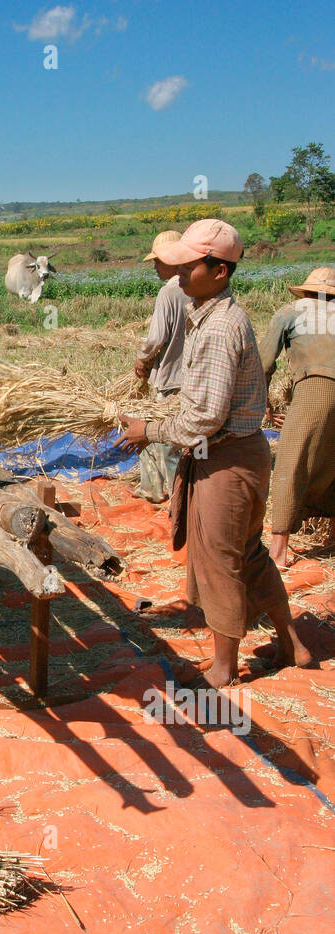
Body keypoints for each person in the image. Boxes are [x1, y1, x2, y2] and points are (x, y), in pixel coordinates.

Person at [117, 218, 313, 690]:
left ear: (220, 271)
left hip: (226, 460)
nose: (180, 272)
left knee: (219, 558)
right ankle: (293, 646)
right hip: (234, 454)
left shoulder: (222, 326)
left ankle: (225, 667)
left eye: (190, 265)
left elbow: (205, 418)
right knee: (247, 553)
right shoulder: (207, 316)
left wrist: (153, 429)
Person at [259, 266, 335, 568]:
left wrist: (263, 403)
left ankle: (279, 549)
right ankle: (331, 539)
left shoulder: (291, 311)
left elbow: (264, 363)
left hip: (316, 389)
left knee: (292, 461)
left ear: (306, 291)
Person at [134, 229, 185, 503]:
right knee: (160, 436)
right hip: (186, 378)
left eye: (157, 260)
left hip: (170, 378)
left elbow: (155, 338)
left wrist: (142, 359)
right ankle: (156, 489)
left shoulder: (170, 291)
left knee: (163, 440)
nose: (154, 266)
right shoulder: (197, 288)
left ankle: (173, 496)